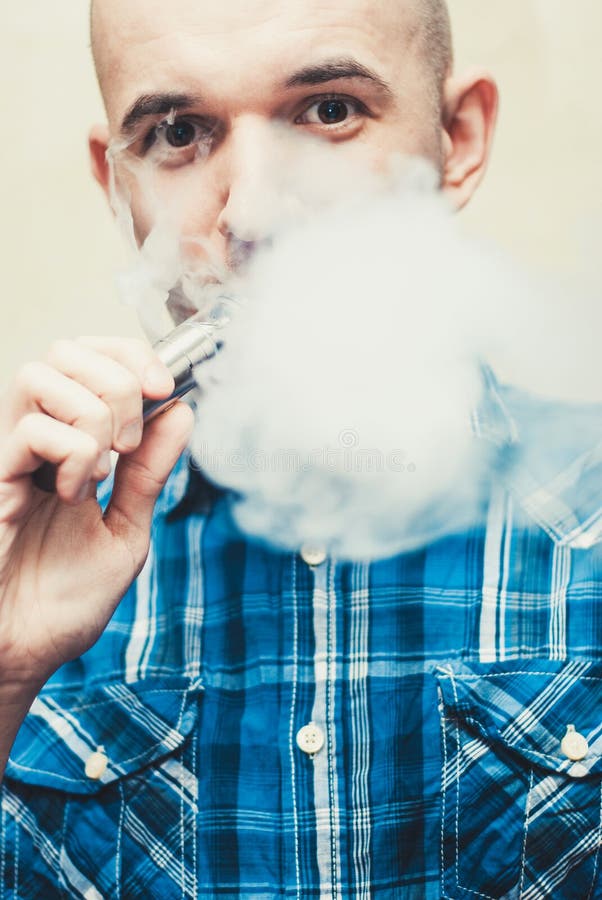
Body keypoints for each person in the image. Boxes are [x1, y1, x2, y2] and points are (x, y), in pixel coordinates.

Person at [0, 0, 600, 897]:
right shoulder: (34, 558)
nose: (255, 216)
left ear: (458, 140)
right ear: (117, 183)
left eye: (328, 111)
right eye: (178, 132)